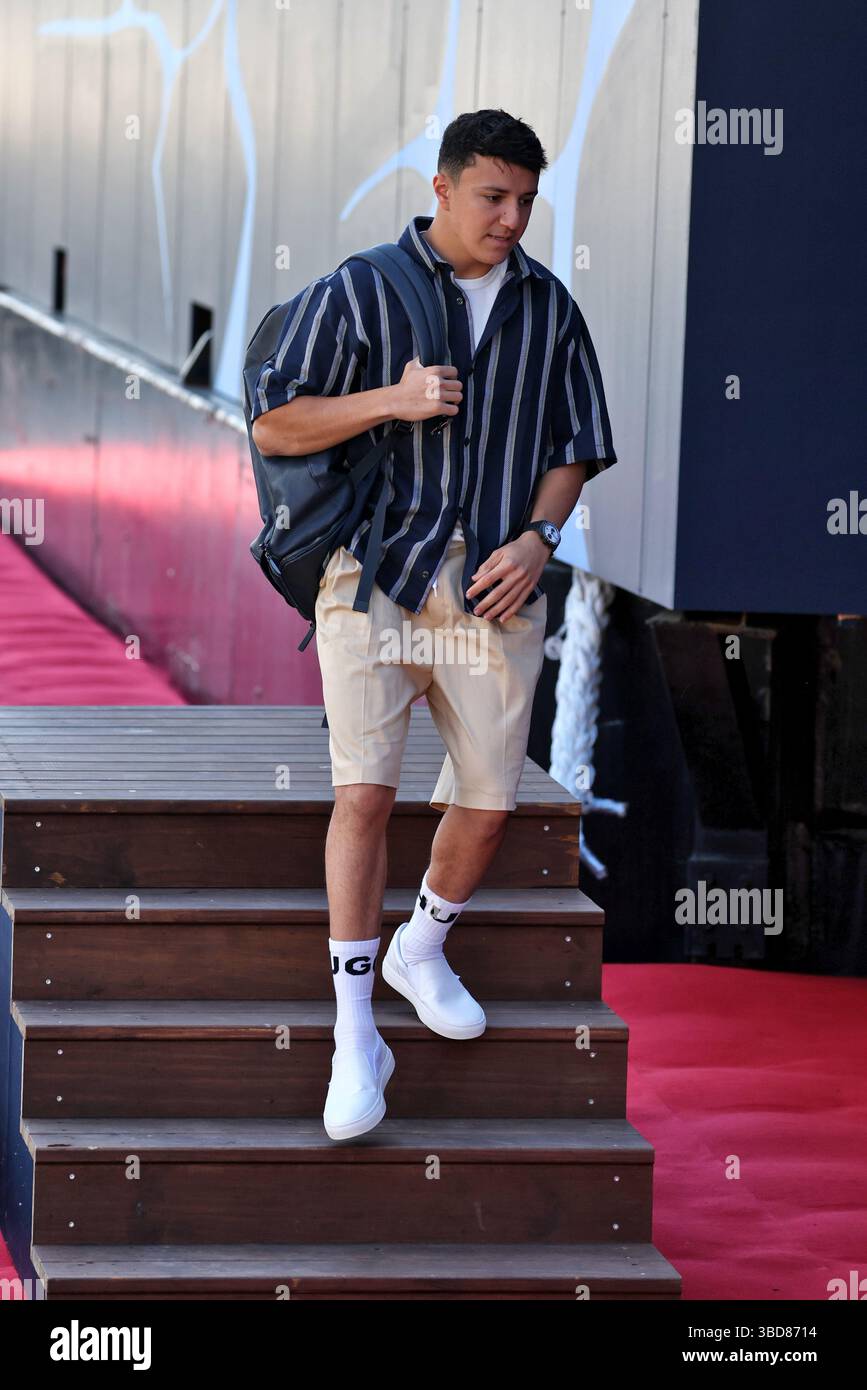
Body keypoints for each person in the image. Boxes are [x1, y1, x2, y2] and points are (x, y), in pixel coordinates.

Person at [250, 108, 618, 1141]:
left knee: (492, 803)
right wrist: (392, 399)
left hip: (497, 582)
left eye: (527, 202)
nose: (512, 219)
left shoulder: (550, 307)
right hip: (374, 571)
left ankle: (424, 943)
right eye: (494, 198)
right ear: (443, 190)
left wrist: (543, 536)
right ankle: (354, 1028)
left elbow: (576, 442)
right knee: (363, 794)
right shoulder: (362, 285)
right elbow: (276, 419)